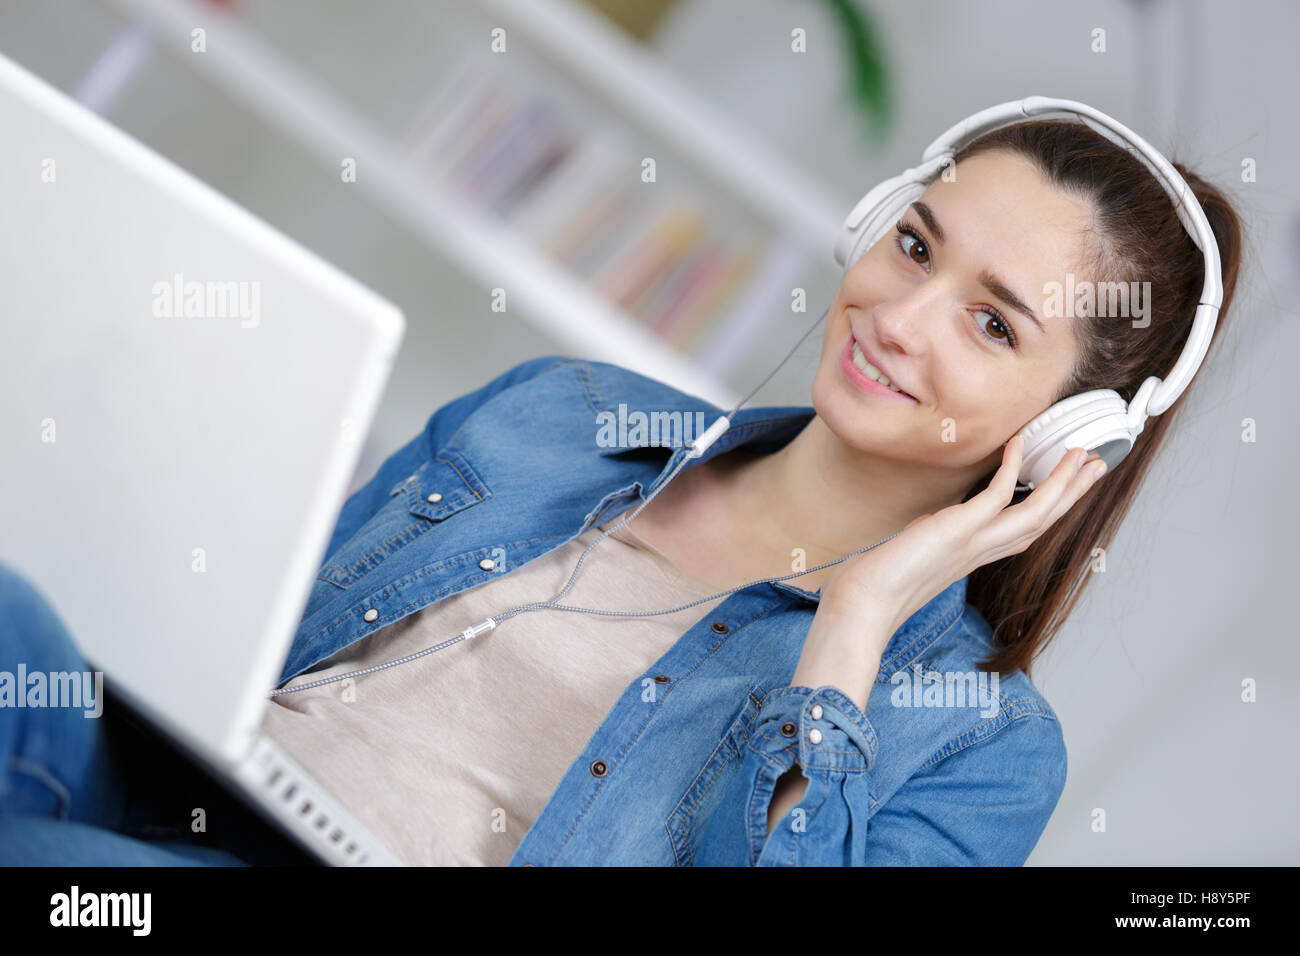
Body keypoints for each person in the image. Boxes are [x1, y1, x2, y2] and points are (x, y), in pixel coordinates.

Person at [0, 117, 1243, 866]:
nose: (900, 318)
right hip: (185, 794)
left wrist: (851, 630)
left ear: (1072, 432)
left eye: (989, 322)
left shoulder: (983, 744)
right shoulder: (570, 417)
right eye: (913, 243)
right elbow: (275, 623)